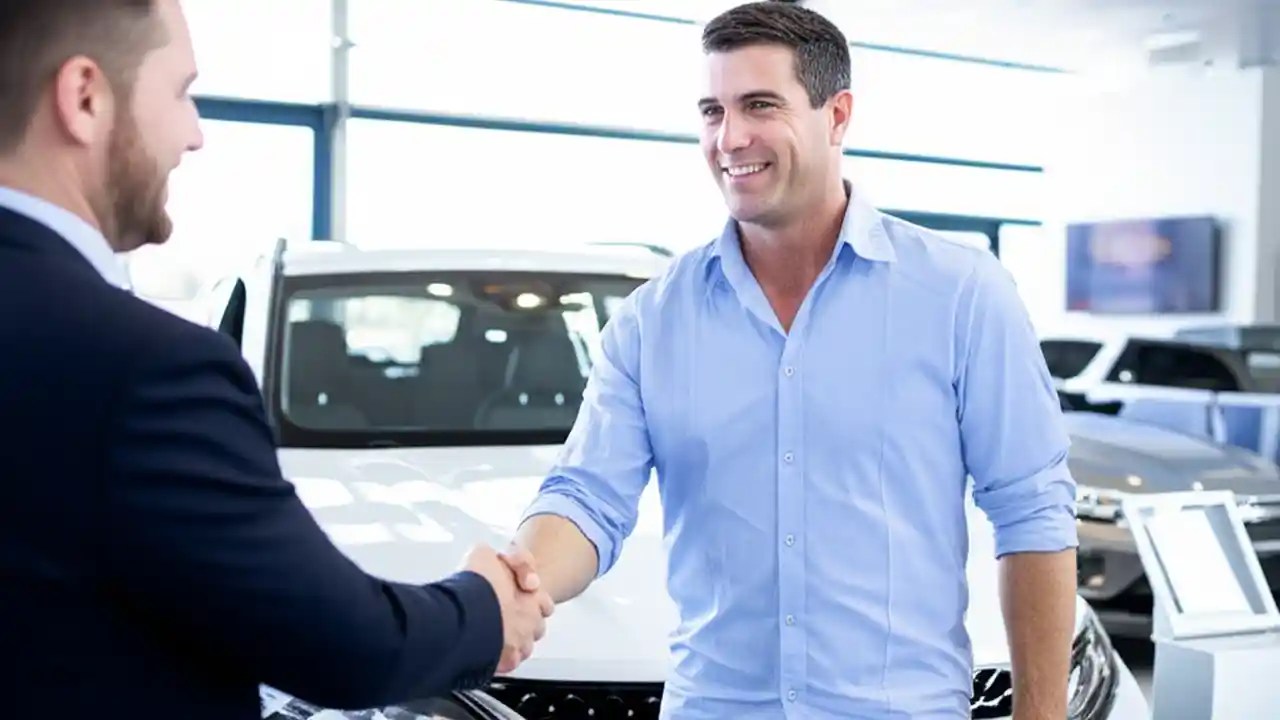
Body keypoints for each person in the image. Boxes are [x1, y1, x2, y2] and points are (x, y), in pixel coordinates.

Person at [502, 3, 1078, 719]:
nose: (729, 137)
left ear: (837, 116)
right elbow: (588, 499)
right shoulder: (652, 320)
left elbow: (1031, 510)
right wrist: (515, 582)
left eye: (760, 105)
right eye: (712, 110)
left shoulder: (960, 294)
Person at [0, 1, 551, 717]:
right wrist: (486, 607)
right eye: (179, 92)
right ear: (84, 98)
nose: (194, 135)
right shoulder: (146, 368)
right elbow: (349, 648)